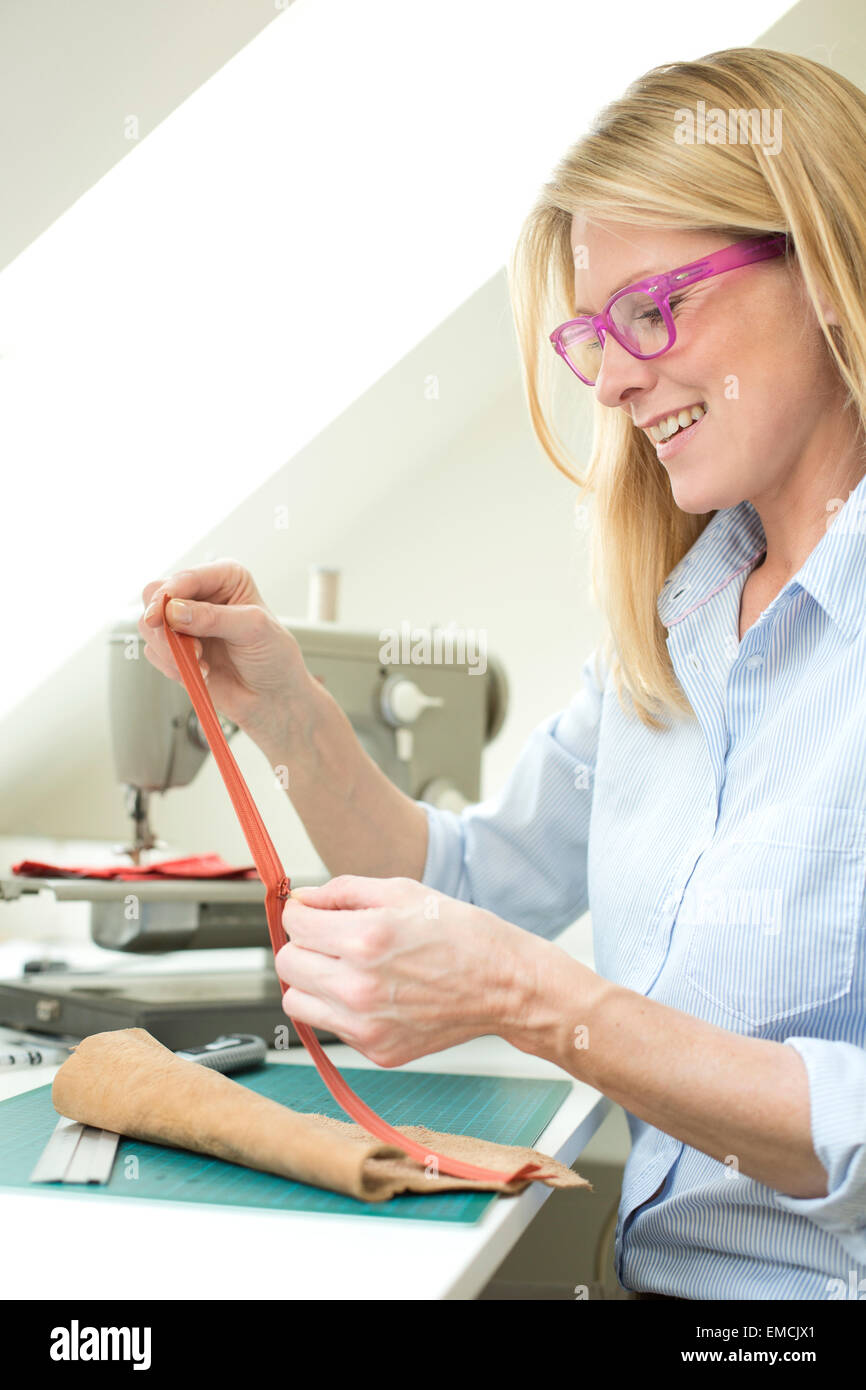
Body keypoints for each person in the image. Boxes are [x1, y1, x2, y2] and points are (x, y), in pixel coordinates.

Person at [140, 47, 866, 1301]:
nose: (619, 376)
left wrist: (531, 1001)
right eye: (594, 334)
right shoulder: (679, 619)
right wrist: (294, 719)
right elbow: (473, 880)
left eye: (655, 308)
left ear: (822, 261)